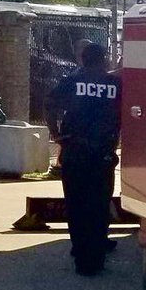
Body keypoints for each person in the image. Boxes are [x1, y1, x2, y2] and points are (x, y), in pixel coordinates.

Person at [45, 42, 122, 275]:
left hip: (75, 152)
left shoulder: (71, 81)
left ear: (83, 60)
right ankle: (97, 255)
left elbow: (50, 105)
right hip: (103, 155)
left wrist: (57, 135)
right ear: (103, 60)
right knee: (99, 205)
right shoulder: (115, 84)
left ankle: (80, 253)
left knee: (76, 205)